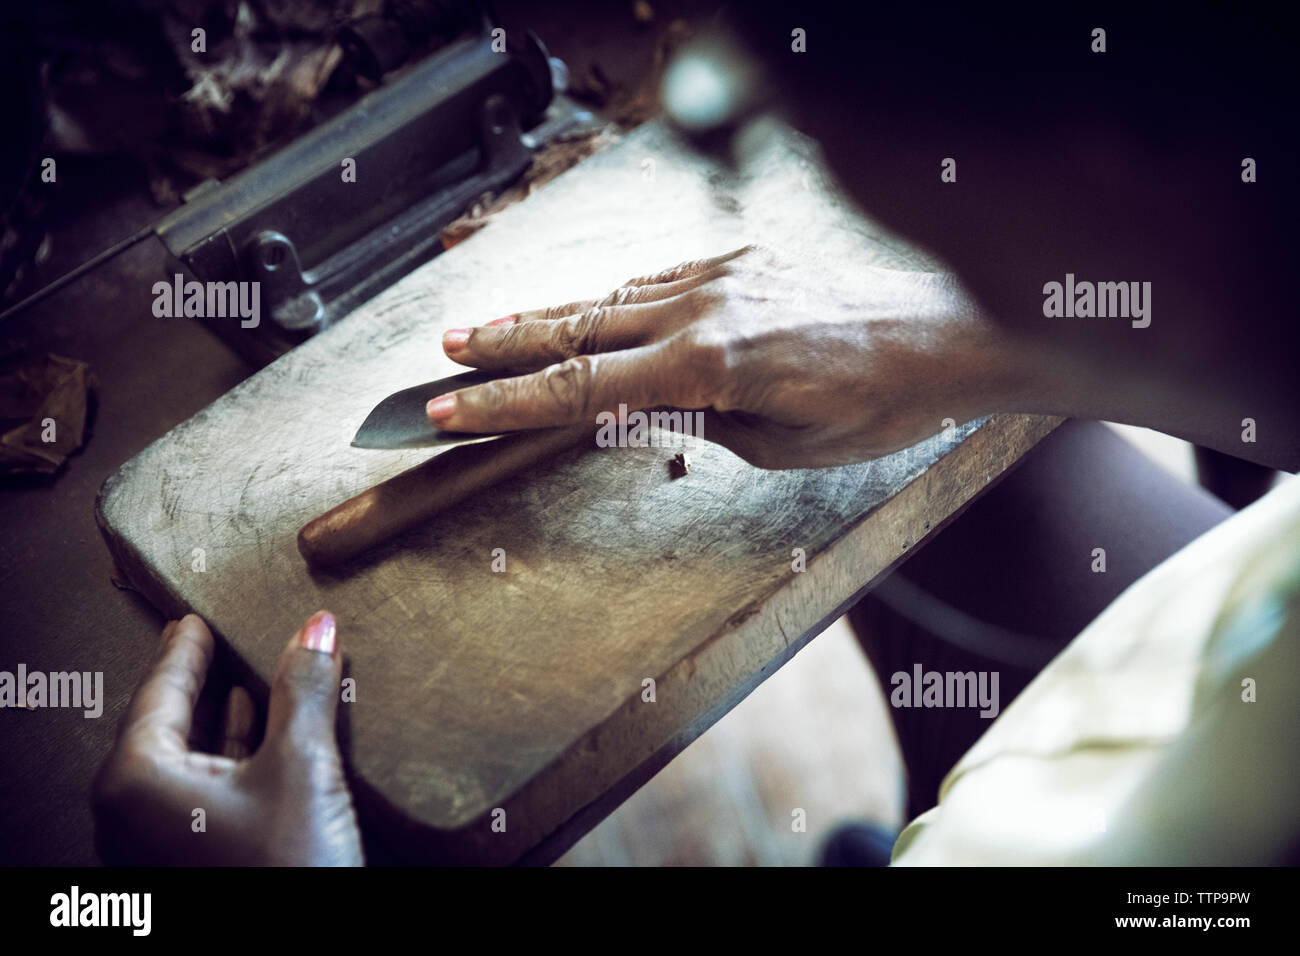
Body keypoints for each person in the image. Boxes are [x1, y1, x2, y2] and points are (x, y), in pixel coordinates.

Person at [94, 3, 1298, 864]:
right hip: (1192, 663)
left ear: (1108, 147)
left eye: (792, 105)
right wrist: (977, 348)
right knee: (1005, 496)